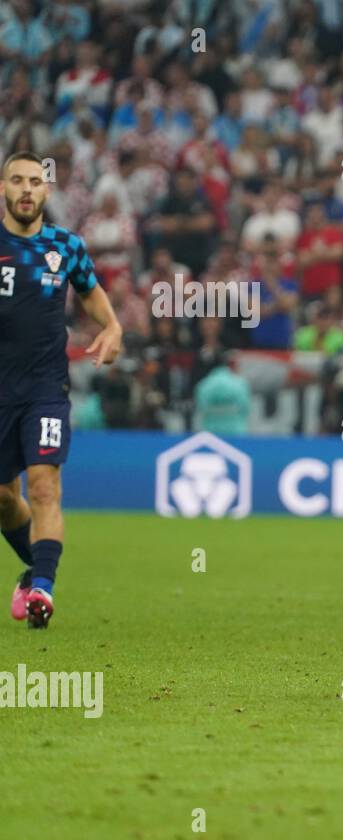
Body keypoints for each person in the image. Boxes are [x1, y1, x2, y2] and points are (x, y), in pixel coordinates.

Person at [0, 151, 124, 629]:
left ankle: (44, 591)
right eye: (17, 181)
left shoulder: (65, 246)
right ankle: (33, 571)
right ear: (5, 190)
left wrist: (112, 327)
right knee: (4, 499)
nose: (27, 189)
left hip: (45, 388)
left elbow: (90, 290)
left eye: (35, 181)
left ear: (47, 191)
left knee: (45, 485)